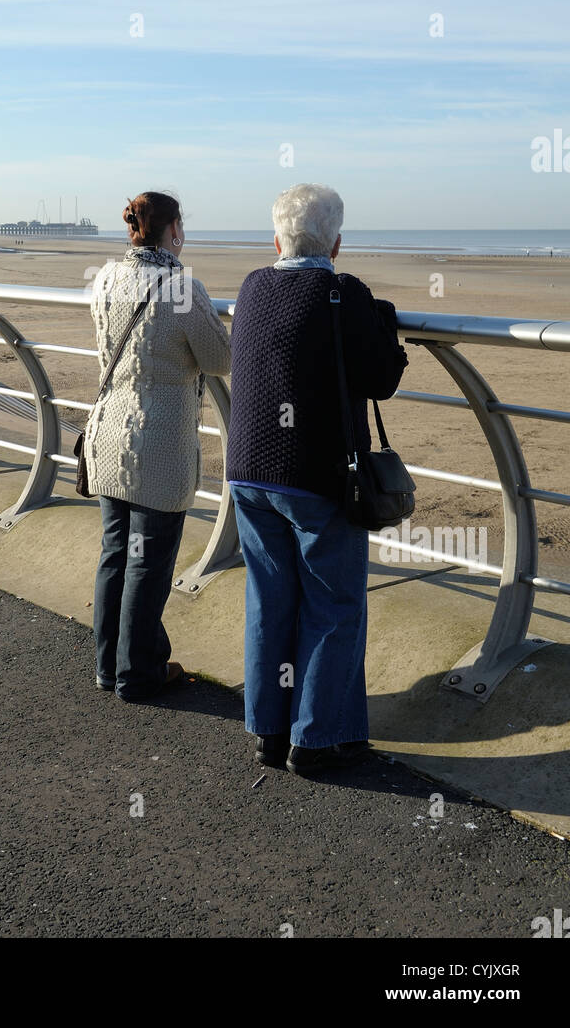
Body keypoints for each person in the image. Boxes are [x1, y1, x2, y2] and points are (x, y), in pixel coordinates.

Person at [226, 183, 408, 775]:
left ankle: (269, 731)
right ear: (336, 242)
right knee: (333, 605)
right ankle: (319, 738)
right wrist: (383, 321)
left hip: (249, 470)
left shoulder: (253, 285)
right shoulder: (340, 290)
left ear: (275, 238)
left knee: (269, 602)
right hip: (317, 475)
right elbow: (383, 376)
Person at [85, 192, 231, 701]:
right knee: (148, 561)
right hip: (159, 445)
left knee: (115, 553)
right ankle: (139, 674)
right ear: (174, 230)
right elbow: (218, 359)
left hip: (106, 433)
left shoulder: (104, 277)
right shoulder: (182, 287)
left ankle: (110, 667)